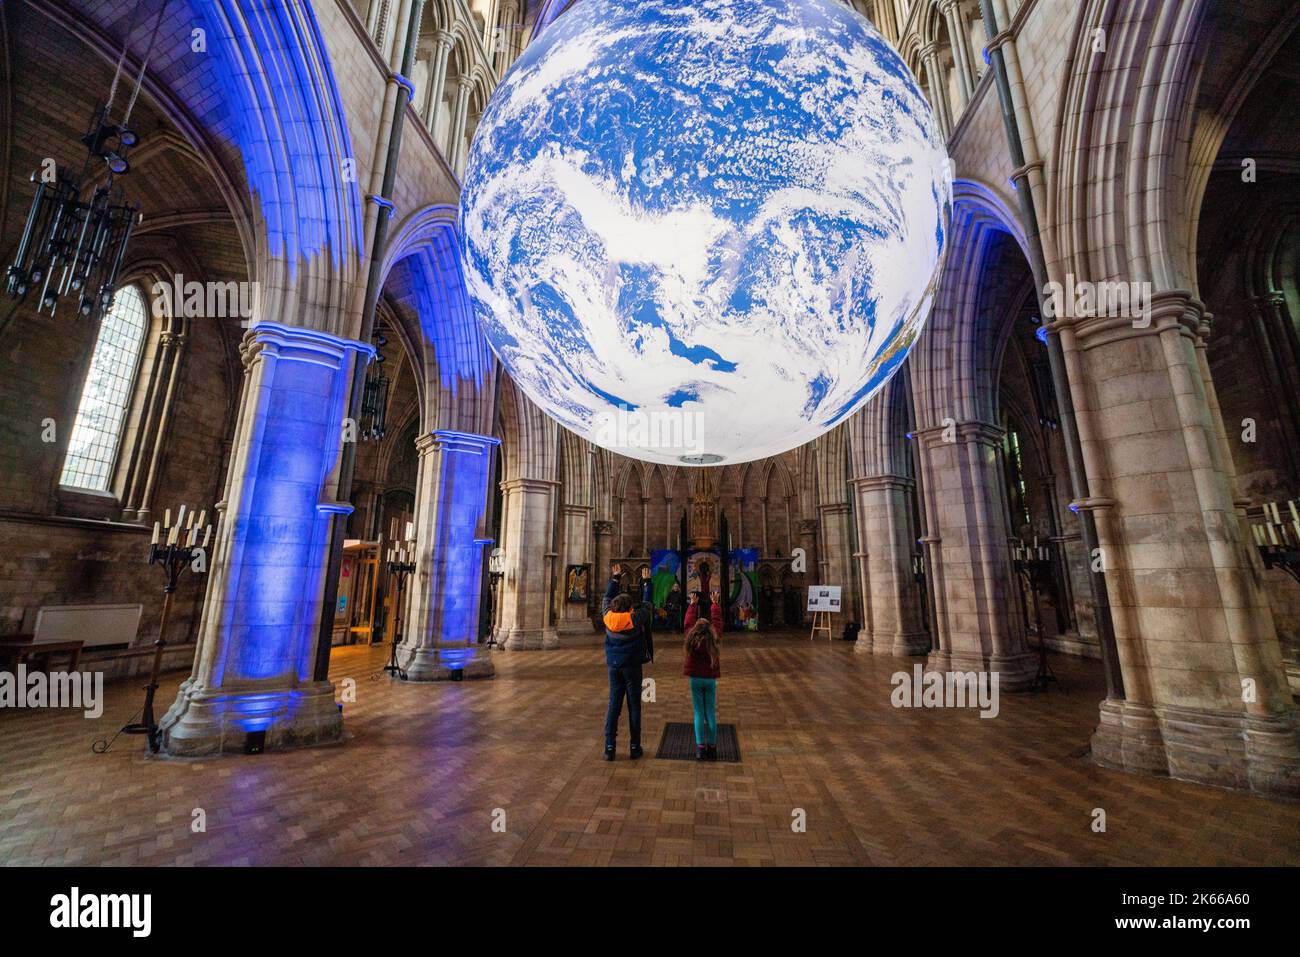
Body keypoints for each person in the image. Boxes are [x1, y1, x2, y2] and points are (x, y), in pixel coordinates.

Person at [601, 563, 652, 761]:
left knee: (613, 704)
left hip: (614, 666)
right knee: (634, 706)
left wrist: (614, 579)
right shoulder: (635, 619)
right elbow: (647, 605)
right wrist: (647, 583)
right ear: (630, 608)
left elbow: (605, 599)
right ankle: (634, 746)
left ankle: (609, 747)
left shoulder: (607, 617)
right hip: (632, 667)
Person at [683, 606, 723, 761]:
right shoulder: (713, 639)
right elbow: (718, 625)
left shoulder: (691, 639)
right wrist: (715, 606)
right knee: (711, 714)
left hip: (695, 680)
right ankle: (712, 748)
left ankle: (700, 748)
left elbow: (687, 624)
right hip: (710, 679)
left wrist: (692, 605)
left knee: (699, 714)